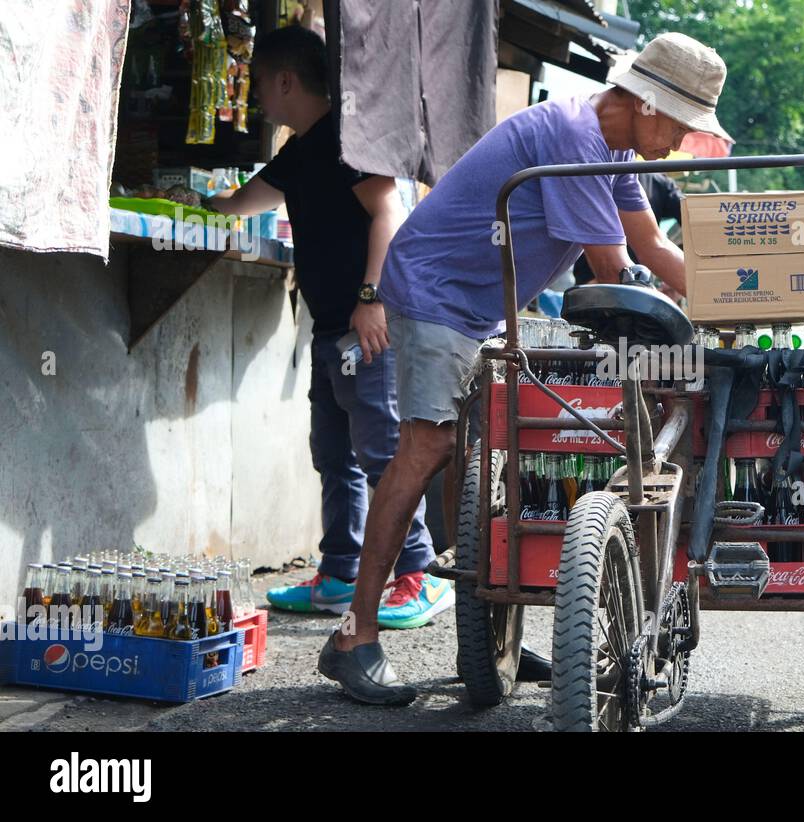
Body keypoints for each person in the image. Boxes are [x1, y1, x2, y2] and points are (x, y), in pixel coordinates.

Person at [316, 33, 731, 705]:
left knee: (486, 456)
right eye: (681, 126)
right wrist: (683, 323)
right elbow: (612, 270)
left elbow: (651, 245)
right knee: (426, 448)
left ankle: (486, 640)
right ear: (648, 104)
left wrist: (737, 302)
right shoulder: (575, 136)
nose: (682, 142)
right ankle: (353, 637)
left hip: (480, 306)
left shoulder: (615, 150)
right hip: (437, 292)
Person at [207, 26, 451, 628]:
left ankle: (418, 574)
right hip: (329, 330)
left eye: (260, 83)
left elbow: (388, 214)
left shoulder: (351, 139)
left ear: (286, 80)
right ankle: (341, 572)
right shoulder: (300, 151)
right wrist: (195, 204)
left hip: (368, 325)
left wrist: (372, 298)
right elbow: (242, 202)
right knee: (334, 454)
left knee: (383, 452)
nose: (256, 96)